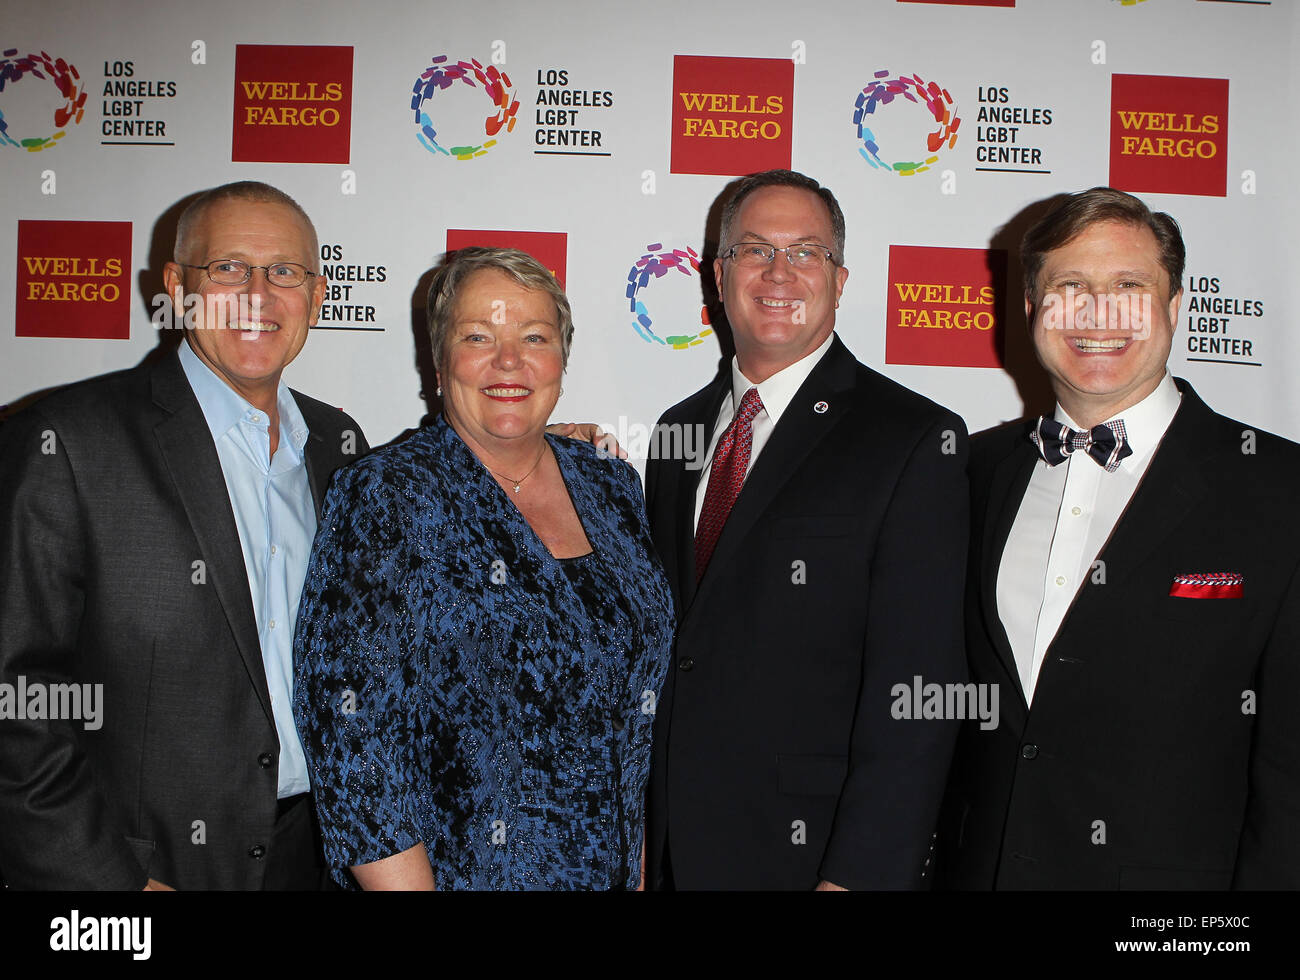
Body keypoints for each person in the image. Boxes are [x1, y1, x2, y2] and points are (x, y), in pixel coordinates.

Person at [0, 181, 367, 889]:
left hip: (319, 862)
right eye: (228, 267)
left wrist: (539, 456)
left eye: (284, 271)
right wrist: (114, 884)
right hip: (148, 870)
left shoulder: (340, 445)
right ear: (176, 286)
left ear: (317, 295)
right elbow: (17, 694)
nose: (258, 294)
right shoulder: (67, 443)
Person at [938, 187, 1300, 889]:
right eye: (1069, 286)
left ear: (1173, 307)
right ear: (1030, 309)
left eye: (1129, 287)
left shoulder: (1280, 491)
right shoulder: (967, 474)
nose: (1098, 315)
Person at [293, 246, 674, 890]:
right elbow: (351, 736)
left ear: (561, 360)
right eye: (479, 337)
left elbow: (631, 711)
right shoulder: (387, 495)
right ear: (438, 361)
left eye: (534, 337)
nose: (509, 361)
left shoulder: (610, 484)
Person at [644, 170, 970, 890]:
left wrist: (859, 875)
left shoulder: (913, 440)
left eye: (806, 252)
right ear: (718, 275)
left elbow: (918, 689)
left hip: (810, 860)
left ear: (841, 277)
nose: (779, 272)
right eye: (755, 250)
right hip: (670, 854)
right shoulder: (678, 432)